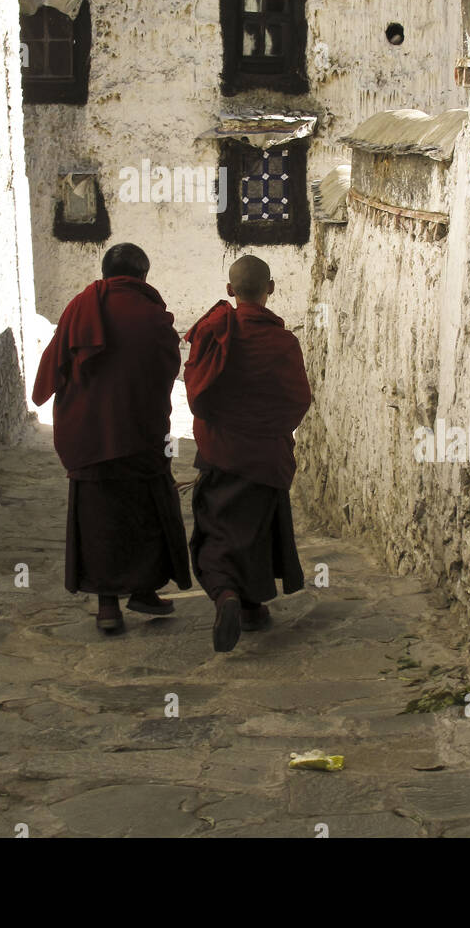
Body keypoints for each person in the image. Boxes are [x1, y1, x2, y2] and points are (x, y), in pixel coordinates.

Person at [32, 242, 191, 633]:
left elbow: (53, 363)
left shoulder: (80, 307)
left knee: (99, 516)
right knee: (147, 508)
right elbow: (169, 366)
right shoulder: (153, 315)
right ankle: (145, 590)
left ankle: (108, 607)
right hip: (139, 430)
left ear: (106, 273)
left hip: (88, 433)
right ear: (142, 276)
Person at [184, 254, 312, 652]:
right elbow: (298, 400)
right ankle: (253, 607)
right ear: (270, 289)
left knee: (219, 531)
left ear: (229, 290)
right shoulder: (282, 342)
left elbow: (196, 392)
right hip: (264, 455)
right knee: (257, 531)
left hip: (220, 449)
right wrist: (271, 429)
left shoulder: (212, 332)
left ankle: (227, 596)